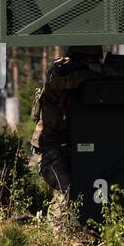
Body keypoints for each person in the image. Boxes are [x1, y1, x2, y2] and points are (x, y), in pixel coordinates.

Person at [32, 45, 105, 226]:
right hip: (49, 148)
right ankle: (55, 238)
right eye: (91, 60)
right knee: (67, 189)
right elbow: (64, 82)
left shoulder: (70, 71)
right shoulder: (60, 71)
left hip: (64, 145)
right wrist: (93, 73)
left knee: (79, 188)